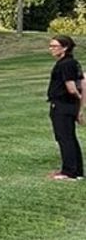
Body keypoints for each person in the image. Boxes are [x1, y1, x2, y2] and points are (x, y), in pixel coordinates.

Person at [47, 35, 83, 181]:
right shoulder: (73, 63)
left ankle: (69, 172)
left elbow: (72, 87)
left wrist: (78, 99)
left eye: (55, 46)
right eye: (51, 46)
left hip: (62, 105)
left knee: (64, 138)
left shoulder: (65, 64)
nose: (51, 49)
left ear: (65, 48)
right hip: (70, 105)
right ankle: (77, 171)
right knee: (70, 137)